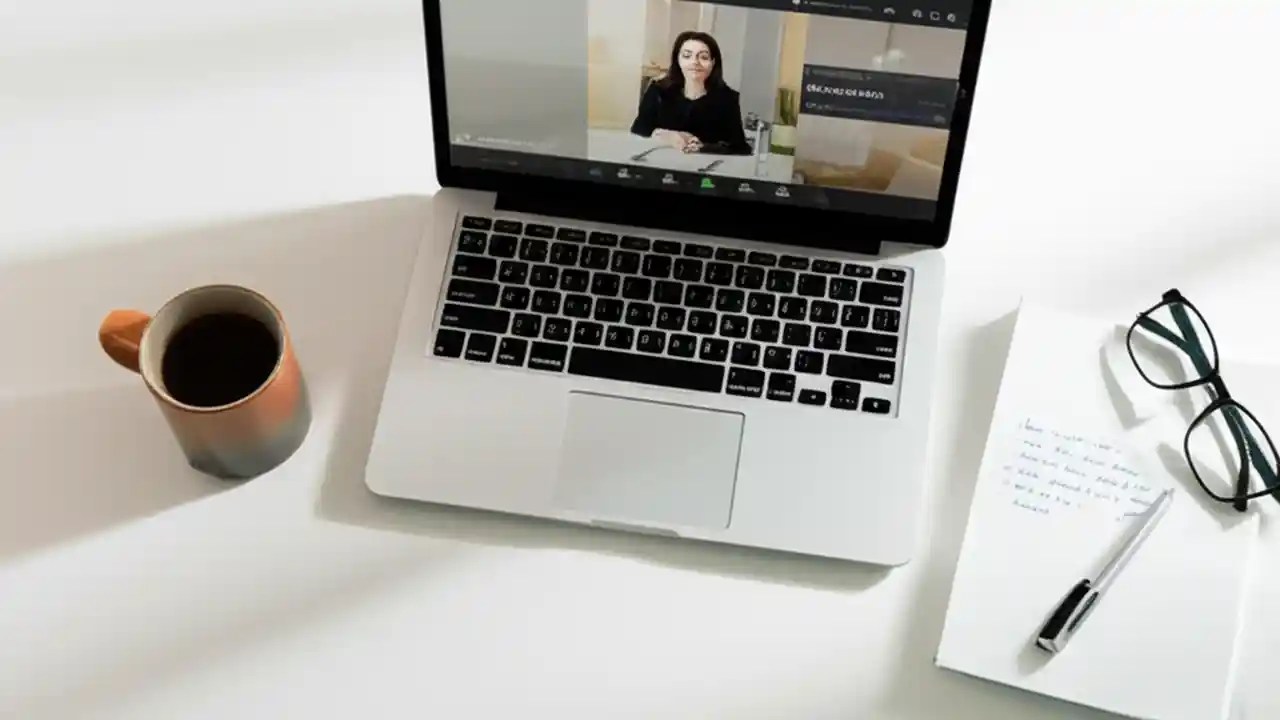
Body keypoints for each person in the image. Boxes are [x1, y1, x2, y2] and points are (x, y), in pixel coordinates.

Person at [629, 31, 752, 155]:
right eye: (687, 56)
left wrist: (704, 148)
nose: (695, 62)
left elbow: (740, 147)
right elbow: (638, 131)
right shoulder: (658, 91)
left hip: (705, 167)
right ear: (678, 60)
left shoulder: (727, 98)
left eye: (703, 57)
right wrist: (666, 135)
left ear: (713, 62)